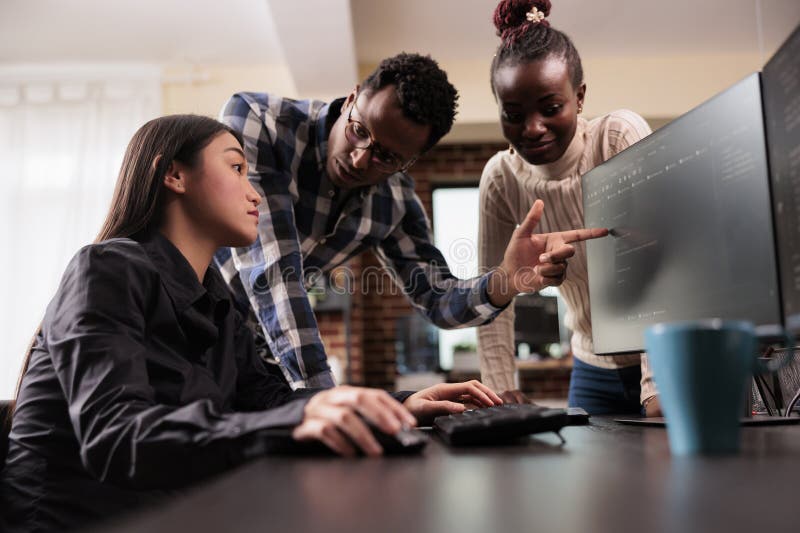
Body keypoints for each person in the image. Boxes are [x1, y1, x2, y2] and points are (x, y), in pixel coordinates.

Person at [0, 115, 507, 532]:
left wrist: (396, 407)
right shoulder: (104, 271)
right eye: (237, 168)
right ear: (174, 174)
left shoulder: (217, 299)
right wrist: (296, 423)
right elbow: (116, 438)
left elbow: (267, 400)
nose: (256, 194)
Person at [214, 52, 606, 389]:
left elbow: (437, 299)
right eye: (358, 131)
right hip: (190, 327)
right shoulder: (261, 123)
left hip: (257, 361)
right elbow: (274, 274)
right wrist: (324, 398)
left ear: (410, 161)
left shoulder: (394, 202)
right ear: (352, 98)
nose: (360, 159)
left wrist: (505, 279)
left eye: (387, 157)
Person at [476, 0, 661, 415]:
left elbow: (656, 263)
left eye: (550, 108)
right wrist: (500, 390)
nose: (532, 128)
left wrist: (657, 383)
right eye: (513, 114)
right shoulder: (501, 179)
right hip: (591, 368)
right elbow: (493, 292)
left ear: (578, 97)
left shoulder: (615, 138)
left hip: (663, 354)